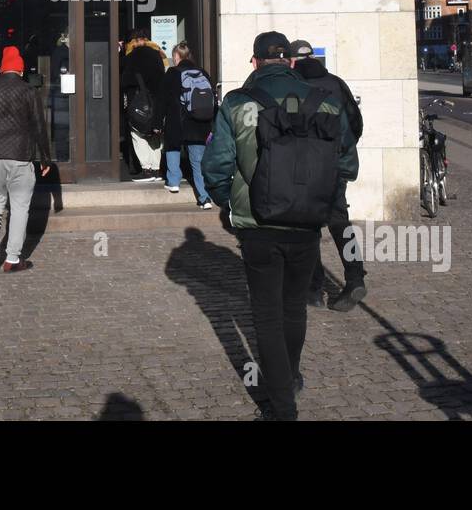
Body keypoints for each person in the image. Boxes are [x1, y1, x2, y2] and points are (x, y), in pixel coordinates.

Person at [202, 32, 359, 421]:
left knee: (267, 314)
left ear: (255, 62)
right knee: (293, 307)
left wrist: (228, 202)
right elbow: (347, 164)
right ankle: (289, 379)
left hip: (257, 224)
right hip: (307, 223)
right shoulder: (325, 100)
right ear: (290, 62)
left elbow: (216, 165)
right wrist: (321, 198)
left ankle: (282, 407)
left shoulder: (236, 103)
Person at [290, 39, 367, 311]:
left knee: (308, 227)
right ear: (314, 57)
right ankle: (355, 277)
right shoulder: (336, 83)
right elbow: (355, 123)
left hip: (304, 168)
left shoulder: (294, 86)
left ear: (292, 60)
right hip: (334, 166)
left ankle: (314, 289)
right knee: (340, 222)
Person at [0, 46, 53, 272]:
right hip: (20, 155)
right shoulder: (29, 91)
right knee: (19, 206)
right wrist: (45, 158)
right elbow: (39, 126)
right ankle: (13, 259)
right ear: (21, 70)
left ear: (1, 68)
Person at [157, 42, 216, 208]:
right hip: (200, 123)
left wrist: (157, 122)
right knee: (197, 162)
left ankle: (173, 181)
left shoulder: (172, 73)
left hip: (177, 121)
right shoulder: (202, 72)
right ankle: (204, 198)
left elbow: (162, 99)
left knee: (173, 148)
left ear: (176, 56)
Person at [119, 28, 166, 182]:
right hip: (157, 100)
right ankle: (156, 169)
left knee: (138, 133)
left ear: (134, 41)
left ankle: (146, 169)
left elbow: (125, 80)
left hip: (139, 102)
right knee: (155, 134)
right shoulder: (157, 55)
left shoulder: (132, 56)